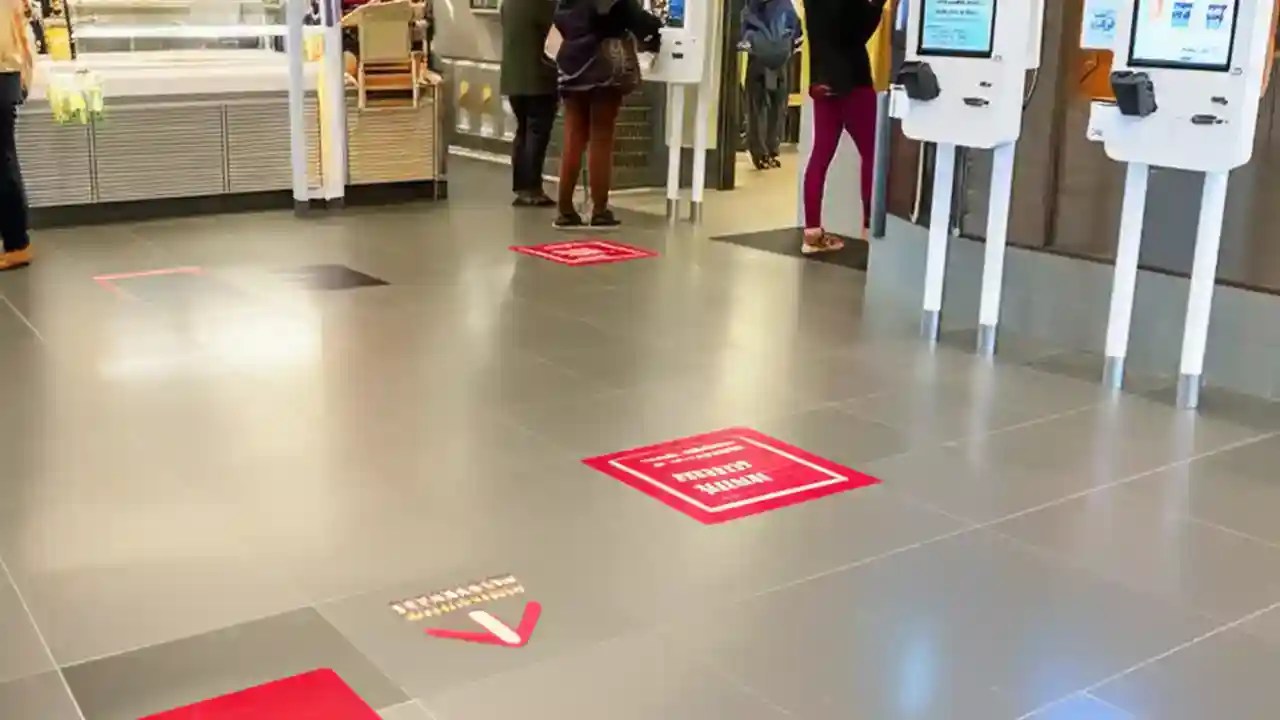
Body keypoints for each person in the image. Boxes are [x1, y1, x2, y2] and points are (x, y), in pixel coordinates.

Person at [551, 0, 660, 229]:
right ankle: (599, 209)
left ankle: (565, 209)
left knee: (573, 134)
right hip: (602, 62)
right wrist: (654, 26)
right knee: (601, 135)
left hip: (571, 61)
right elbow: (633, 16)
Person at [800, 0, 884, 254]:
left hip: (822, 80)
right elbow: (857, 32)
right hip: (852, 81)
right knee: (872, 154)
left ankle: (812, 234)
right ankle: (870, 229)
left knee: (820, 156)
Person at [501, 0, 558, 207]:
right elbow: (560, 27)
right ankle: (532, 188)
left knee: (523, 130)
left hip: (513, 77)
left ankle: (521, 186)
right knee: (536, 132)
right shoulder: (544, 3)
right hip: (538, 76)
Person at [739, 0, 801, 171]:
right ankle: (772, 150)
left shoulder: (751, 7)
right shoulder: (784, 5)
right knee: (777, 105)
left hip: (758, 59)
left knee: (756, 107)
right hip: (780, 61)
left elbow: (742, 33)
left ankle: (760, 153)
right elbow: (797, 31)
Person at [0, 0, 33, 271]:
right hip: (8, 74)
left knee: (3, 162)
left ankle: (17, 244)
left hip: (2, 74)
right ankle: (16, 242)